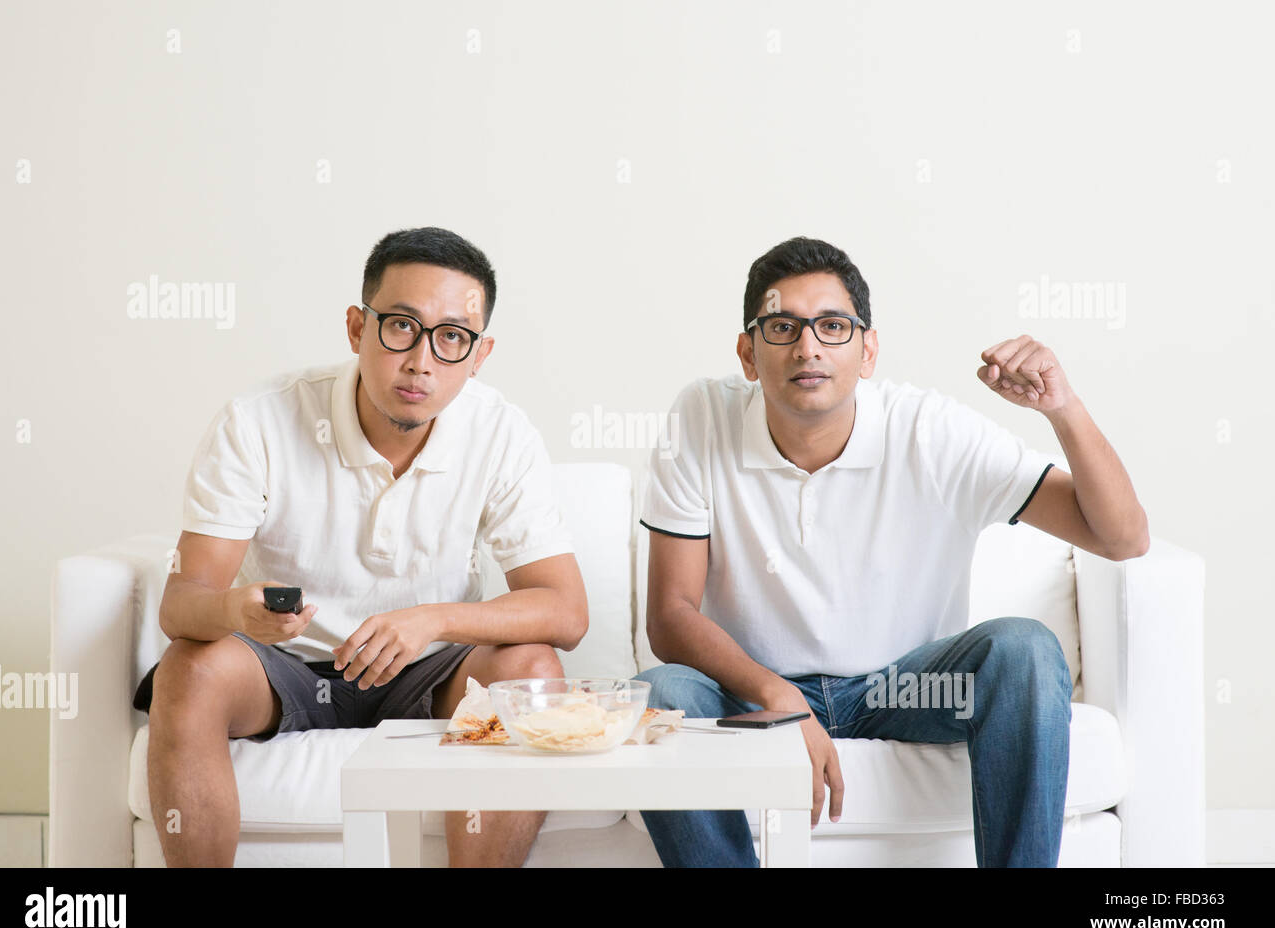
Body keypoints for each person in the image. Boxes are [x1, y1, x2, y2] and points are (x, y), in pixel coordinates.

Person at [635, 236, 1149, 867]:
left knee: (1025, 651)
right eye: (781, 326)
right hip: (754, 696)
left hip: (899, 690)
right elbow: (670, 614)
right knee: (660, 692)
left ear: (868, 350)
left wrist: (1062, 409)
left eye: (832, 326)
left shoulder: (929, 431)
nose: (808, 347)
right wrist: (782, 699)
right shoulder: (700, 416)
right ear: (748, 353)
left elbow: (1124, 537)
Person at [133, 226, 589, 867]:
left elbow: (566, 612)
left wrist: (430, 619)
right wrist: (239, 611)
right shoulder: (259, 420)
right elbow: (183, 606)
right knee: (187, 670)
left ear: (479, 355)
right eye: (401, 326)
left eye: (451, 338)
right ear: (357, 327)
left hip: (432, 673)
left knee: (533, 669)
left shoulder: (501, 433)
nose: (421, 361)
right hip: (283, 671)